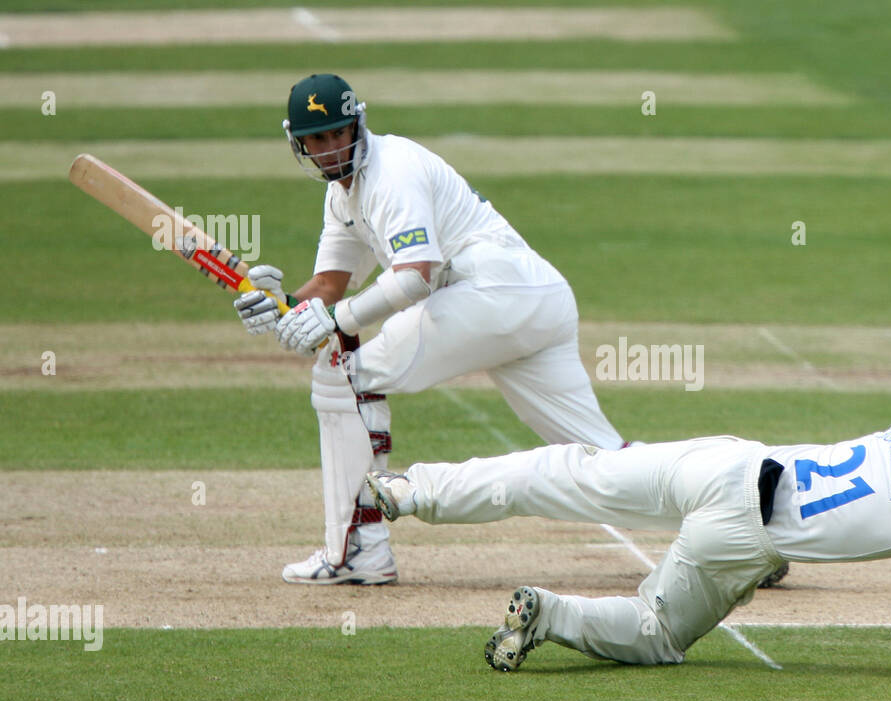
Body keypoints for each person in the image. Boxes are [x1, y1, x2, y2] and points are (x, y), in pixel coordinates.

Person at [364, 386, 891, 687]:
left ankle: (409, 489)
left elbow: (854, 491)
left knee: (566, 472)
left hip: (725, 458)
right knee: (655, 635)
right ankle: (545, 612)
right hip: (739, 528)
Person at [233, 74, 626, 585]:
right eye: (318, 140)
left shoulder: (392, 171)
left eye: (338, 134)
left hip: (491, 293)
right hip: (534, 300)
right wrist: (281, 304)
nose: (330, 150)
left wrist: (333, 321)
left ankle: (358, 551)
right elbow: (331, 283)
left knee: (342, 372)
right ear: (299, 143)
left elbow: (415, 276)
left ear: (357, 125)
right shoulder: (341, 197)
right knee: (601, 463)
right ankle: (753, 528)